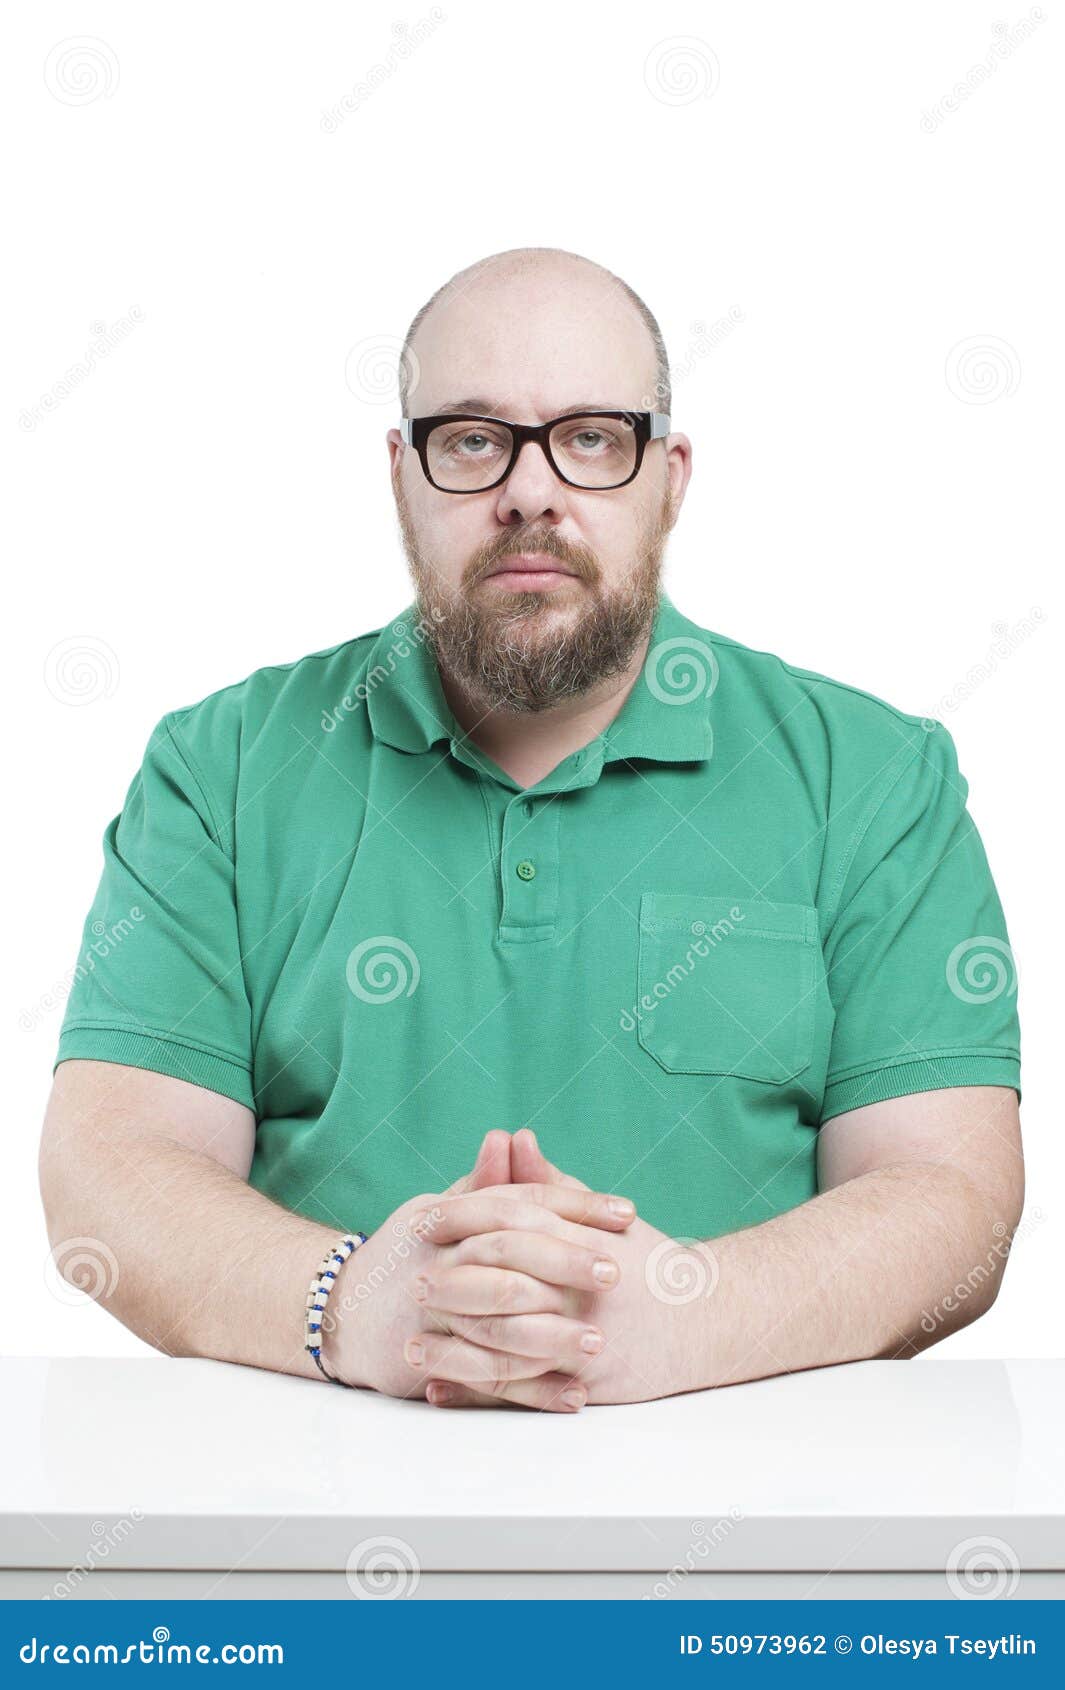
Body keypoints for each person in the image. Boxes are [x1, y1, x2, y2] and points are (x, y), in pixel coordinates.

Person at [40, 247, 1024, 1412]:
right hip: (308, 1535)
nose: (531, 491)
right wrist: (356, 1303)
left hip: (752, 1538)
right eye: (472, 439)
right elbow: (107, 1170)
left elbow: (953, 1194)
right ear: (402, 477)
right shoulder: (222, 767)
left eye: (593, 437)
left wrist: (680, 1321)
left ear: (672, 476)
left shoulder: (874, 778)